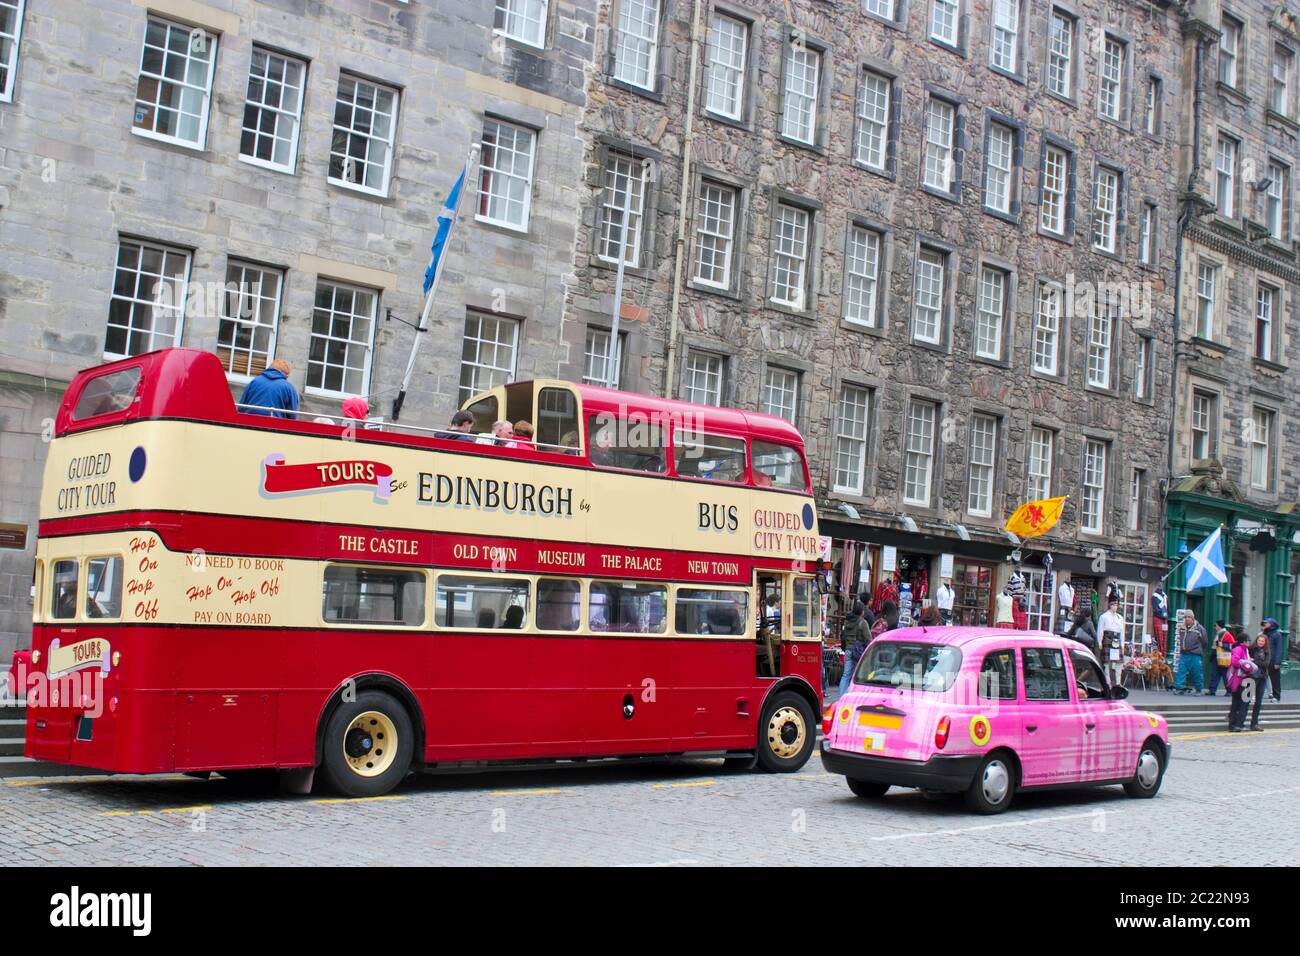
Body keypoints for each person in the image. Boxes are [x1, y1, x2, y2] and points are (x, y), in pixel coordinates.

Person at [1227, 629, 1263, 732]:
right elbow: (1235, 661)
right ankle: (1234, 725)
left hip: (1244, 679)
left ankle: (1237, 725)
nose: (1249, 642)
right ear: (1244, 641)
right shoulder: (1239, 649)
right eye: (1248, 640)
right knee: (1238, 703)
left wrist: (1248, 661)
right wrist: (1247, 664)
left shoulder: (1245, 649)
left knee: (1240, 703)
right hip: (1239, 679)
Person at [837, 601, 872, 698]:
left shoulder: (847, 621)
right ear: (862, 612)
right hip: (858, 652)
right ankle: (854, 696)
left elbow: (843, 636)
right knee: (857, 676)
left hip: (848, 650)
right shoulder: (863, 622)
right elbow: (868, 639)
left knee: (846, 675)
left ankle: (841, 697)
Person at [1174, 610, 1207, 695]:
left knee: (1197, 672)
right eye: (1185, 617)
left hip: (1195, 654)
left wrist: (1198, 648)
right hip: (1184, 653)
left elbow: (1204, 641)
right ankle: (1180, 687)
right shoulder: (1182, 628)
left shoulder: (1199, 628)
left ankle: (1198, 689)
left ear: (1193, 618)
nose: (1187, 619)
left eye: (1189, 617)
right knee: (1181, 671)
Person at [1248, 630, 1273, 731]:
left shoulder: (1267, 651)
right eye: (1259, 640)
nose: (1260, 642)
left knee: (1258, 702)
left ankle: (1254, 723)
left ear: (1265, 642)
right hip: (1251, 676)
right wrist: (1255, 661)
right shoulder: (1251, 649)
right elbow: (1247, 659)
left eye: (1263, 641)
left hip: (1262, 677)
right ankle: (1236, 719)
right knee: (1245, 699)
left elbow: (1266, 664)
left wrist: (1254, 661)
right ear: (1256, 640)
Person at [1098, 599, 1126, 686]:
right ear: (1110, 606)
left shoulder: (1120, 618)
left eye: (1116, 605)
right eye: (1114, 605)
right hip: (1107, 638)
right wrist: (1099, 641)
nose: (1116, 607)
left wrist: (1122, 644)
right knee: (1107, 662)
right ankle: (1108, 681)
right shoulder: (1103, 617)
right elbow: (1100, 630)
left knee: (1119, 662)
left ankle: (1118, 682)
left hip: (1117, 639)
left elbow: (1122, 631)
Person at [1207, 621, 1235, 697]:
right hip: (1217, 656)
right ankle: (1212, 690)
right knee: (1215, 674)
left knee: (1224, 674)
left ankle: (1228, 690)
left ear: (1219, 626)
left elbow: (1232, 646)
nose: (1215, 627)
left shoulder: (1226, 634)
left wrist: (1221, 644)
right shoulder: (1220, 634)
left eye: (1215, 625)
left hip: (1223, 657)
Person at [1262, 618, 1284, 702]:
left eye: (1266, 623)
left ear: (1271, 624)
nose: (1264, 624)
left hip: (1273, 660)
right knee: (1260, 677)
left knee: (1275, 679)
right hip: (1264, 659)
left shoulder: (1277, 634)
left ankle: (1276, 696)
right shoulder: (1264, 633)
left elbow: (1279, 649)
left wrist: (1277, 662)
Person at [1152, 585, 1169, 655]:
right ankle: (1160, 654)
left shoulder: (1165, 596)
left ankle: (1163, 655)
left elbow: (1168, 608)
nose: (1160, 587)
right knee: (1159, 638)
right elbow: (1156, 609)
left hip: (1165, 619)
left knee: (1165, 638)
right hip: (1158, 618)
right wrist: (1161, 613)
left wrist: (1167, 614)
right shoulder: (1154, 596)